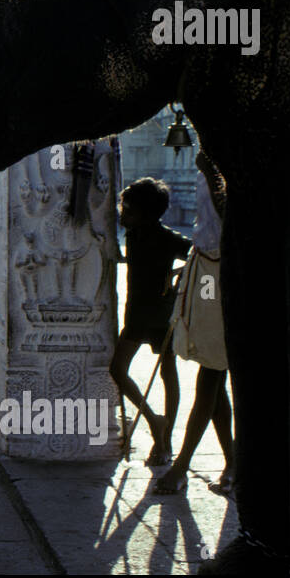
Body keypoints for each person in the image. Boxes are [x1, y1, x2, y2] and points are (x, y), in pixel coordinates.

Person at [155, 155, 234, 495]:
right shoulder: (210, 165)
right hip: (205, 272)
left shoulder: (224, 168)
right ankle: (233, 463)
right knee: (212, 370)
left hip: (224, 274)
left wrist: (210, 171)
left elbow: (229, 215)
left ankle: (181, 466)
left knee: (211, 374)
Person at [108, 177, 190, 466]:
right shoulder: (134, 234)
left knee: (165, 372)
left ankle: (163, 439)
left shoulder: (167, 237)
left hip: (158, 315)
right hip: (140, 313)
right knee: (119, 370)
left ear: (145, 213)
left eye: (128, 210)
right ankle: (156, 422)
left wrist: (180, 276)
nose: (123, 214)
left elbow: (195, 255)